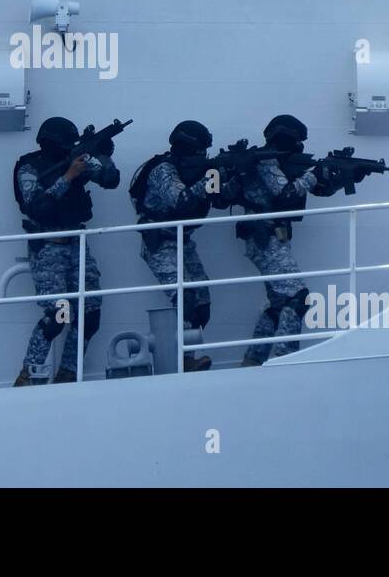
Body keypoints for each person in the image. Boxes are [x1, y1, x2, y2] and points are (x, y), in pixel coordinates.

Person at [12, 117, 120, 385]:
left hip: (77, 244)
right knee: (57, 316)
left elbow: (110, 180)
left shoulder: (78, 159)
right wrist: (69, 176)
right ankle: (29, 375)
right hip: (49, 247)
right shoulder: (29, 166)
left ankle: (69, 374)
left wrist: (103, 154)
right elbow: (36, 206)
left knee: (90, 315)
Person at [129, 120, 229, 371]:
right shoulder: (163, 169)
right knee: (184, 298)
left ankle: (188, 357)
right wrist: (209, 177)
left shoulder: (192, 170)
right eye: (200, 151)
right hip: (160, 242)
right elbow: (181, 201)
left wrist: (228, 177)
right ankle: (179, 360)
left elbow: (219, 201)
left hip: (183, 241)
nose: (203, 156)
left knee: (202, 303)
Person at [235, 115, 330, 366]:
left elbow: (316, 187)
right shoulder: (266, 160)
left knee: (279, 305)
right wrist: (314, 174)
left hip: (273, 239)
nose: (299, 147)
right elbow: (285, 193)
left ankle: (253, 360)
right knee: (298, 297)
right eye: (297, 142)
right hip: (264, 238)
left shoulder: (277, 161)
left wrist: (337, 176)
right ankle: (285, 360)